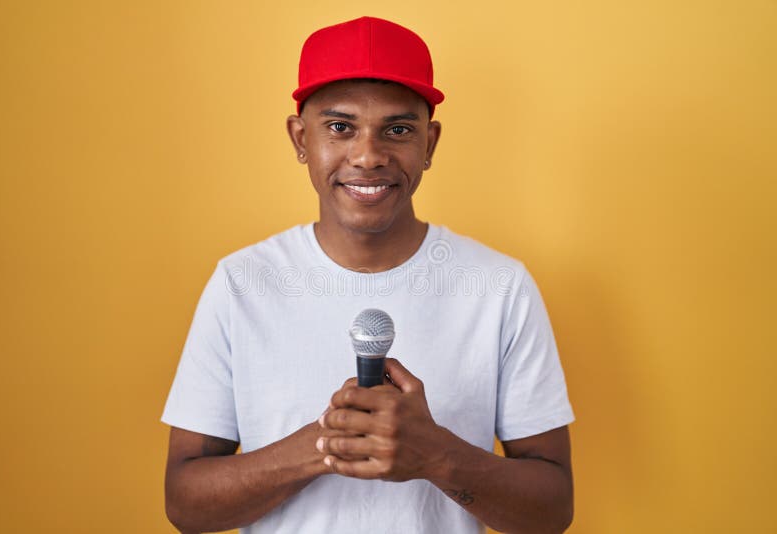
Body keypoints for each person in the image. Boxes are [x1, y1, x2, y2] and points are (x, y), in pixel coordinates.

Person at [161, 16, 575, 534]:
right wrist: (325, 443)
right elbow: (185, 503)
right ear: (300, 138)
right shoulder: (242, 283)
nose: (368, 156)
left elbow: (553, 509)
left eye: (398, 130)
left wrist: (436, 456)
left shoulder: (499, 287)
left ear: (430, 144)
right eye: (340, 127)